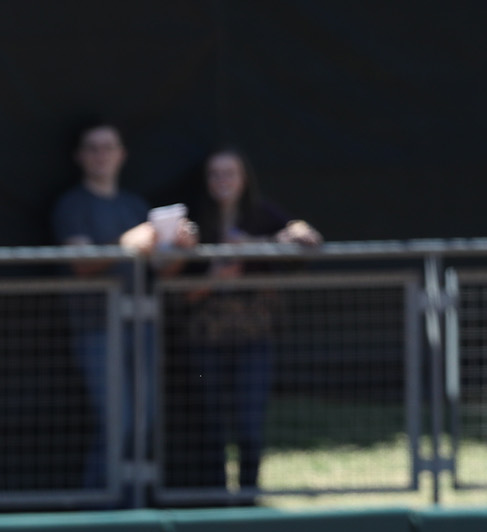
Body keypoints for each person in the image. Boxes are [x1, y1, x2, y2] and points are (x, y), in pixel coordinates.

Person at [52, 122, 193, 496]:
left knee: (143, 422)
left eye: (109, 147)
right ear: (80, 156)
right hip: (96, 329)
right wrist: (128, 243)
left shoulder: (135, 206)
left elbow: (163, 269)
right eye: (93, 148)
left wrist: (180, 248)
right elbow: (81, 263)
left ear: (122, 155)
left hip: (141, 327)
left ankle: (132, 508)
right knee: (117, 423)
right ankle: (100, 515)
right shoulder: (72, 205)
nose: (102, 155)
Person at [172, 148, 322, 492]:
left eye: (230, 173)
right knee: (210, 425)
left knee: (249, 425)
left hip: (254, 337)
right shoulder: (192, 221)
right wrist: (214, 278)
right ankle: (214, 500)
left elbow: (300, 234)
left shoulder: (260, 213)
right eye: (215, 173)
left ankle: (248, 499)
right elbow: (176, 290)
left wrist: (255, 243)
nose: (222, 181)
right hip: (204, 340)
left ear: (244, 178)